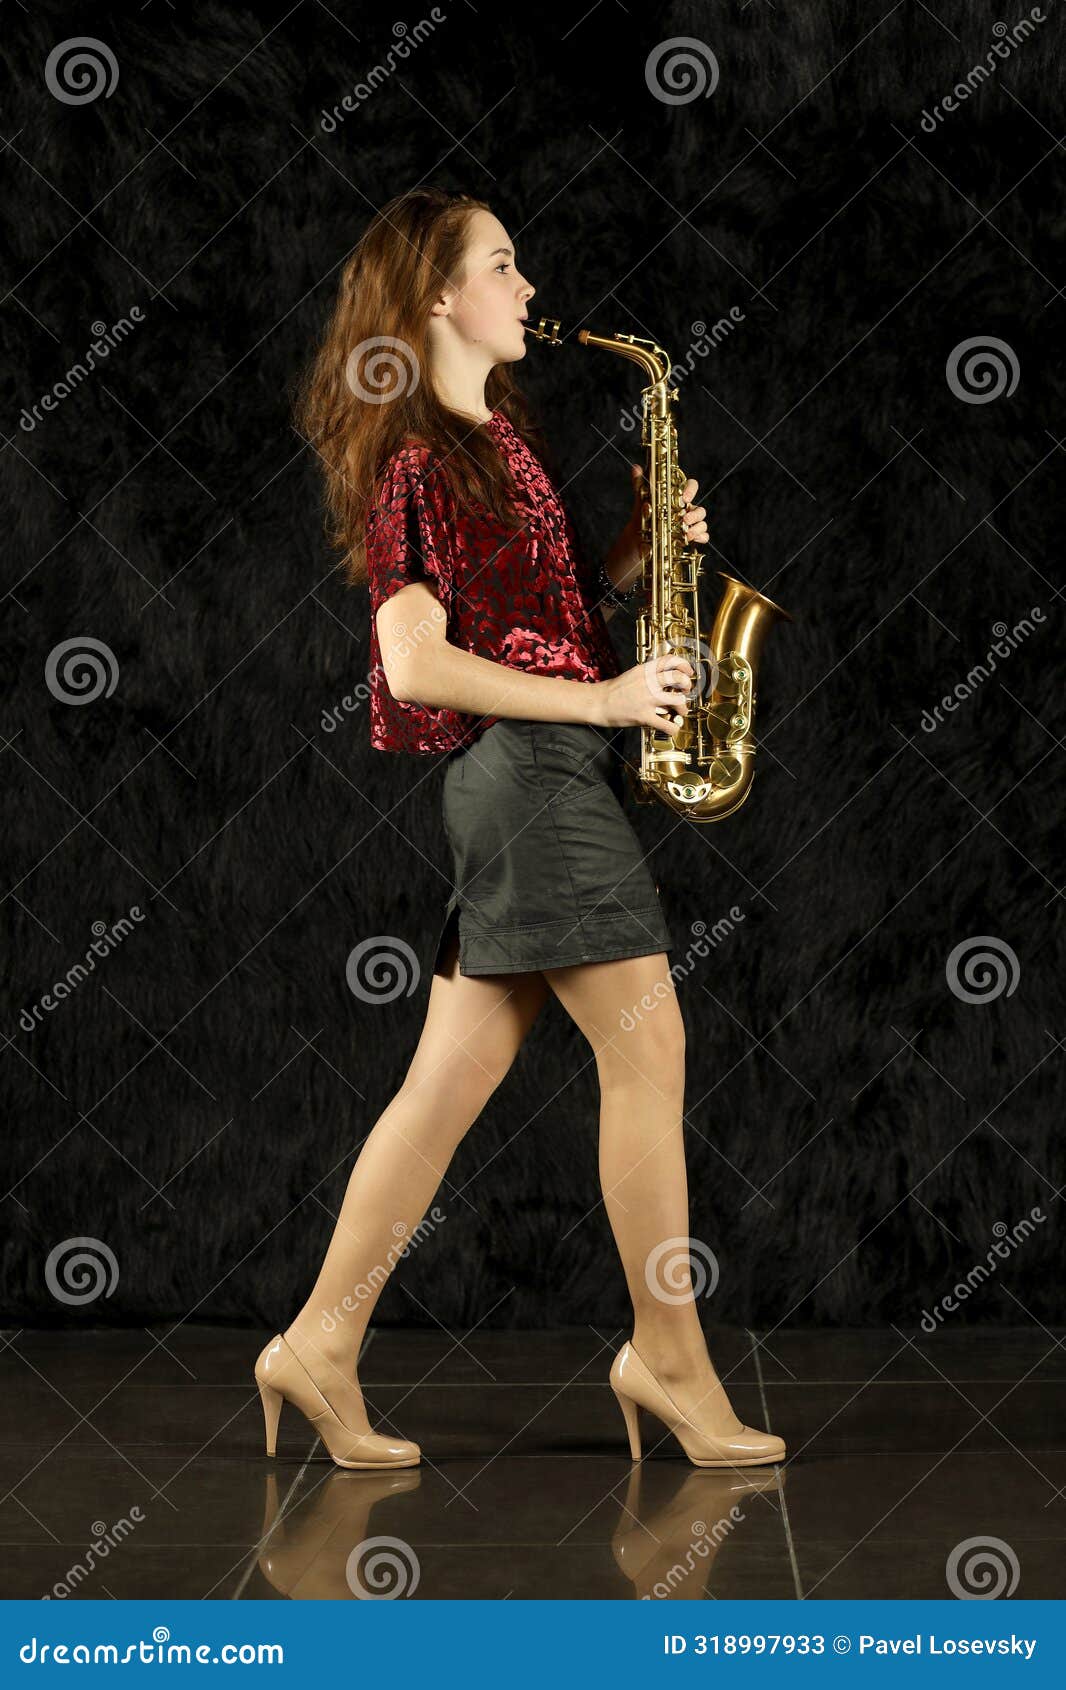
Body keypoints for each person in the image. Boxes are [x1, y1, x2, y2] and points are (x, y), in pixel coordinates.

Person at [254, 187, 785, 1473]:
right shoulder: (417, 458)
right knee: (649, 1047)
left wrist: (630, 557)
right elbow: (416, 663)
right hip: (530, 780)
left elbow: (518, 623)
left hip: (537, 778)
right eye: (503, 263)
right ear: (438, 298)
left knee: (445, 1086)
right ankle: (665, 1356)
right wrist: (605, 696)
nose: (529, 284)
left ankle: (317, 1345)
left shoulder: (492, 437)